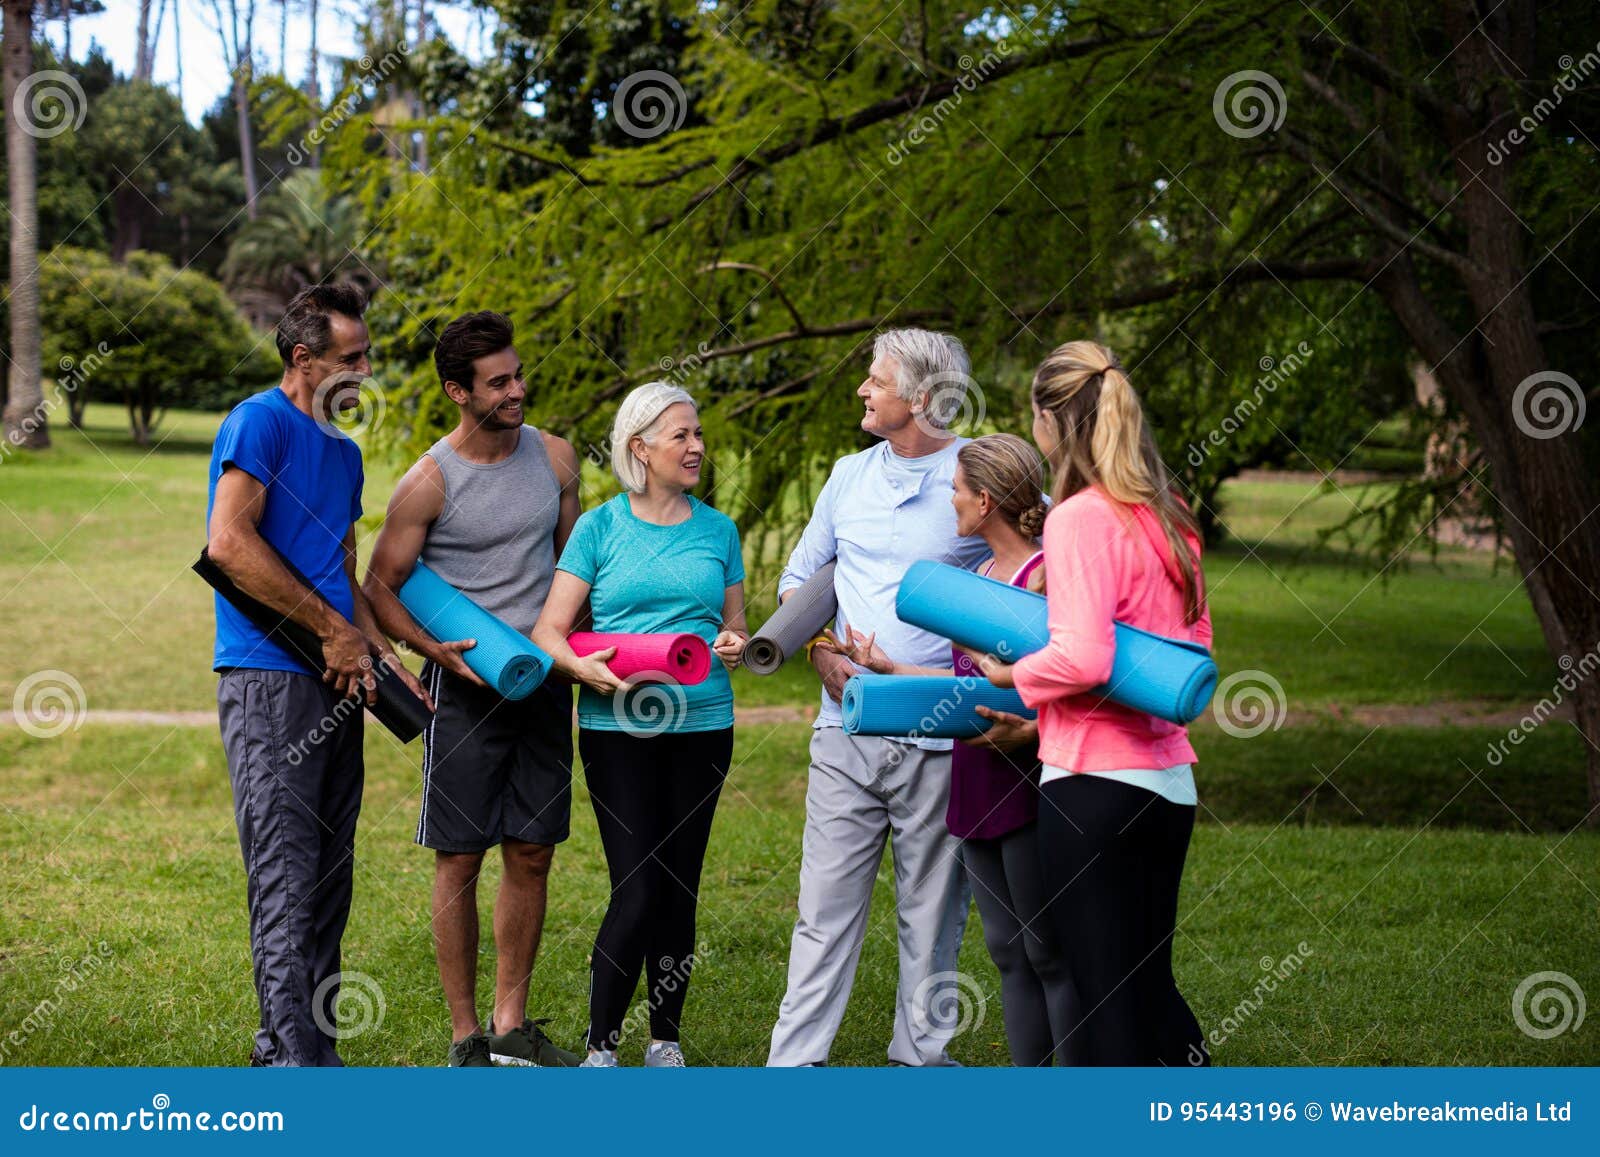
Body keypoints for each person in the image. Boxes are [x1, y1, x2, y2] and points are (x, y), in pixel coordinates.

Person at [206, 283, 431, 1067]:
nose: (366, 371)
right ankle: (288, 1060)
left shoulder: (344, 451)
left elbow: (339, 567)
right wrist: (335, 634)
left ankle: (315, 1052)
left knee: (331, 875)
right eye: (352, 357)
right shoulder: (258, 422)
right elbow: (230, 543)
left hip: (340, 678)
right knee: (286, 871)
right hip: (270, 677)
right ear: (304, 359)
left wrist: (378, 652)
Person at [968, 340, 1211, 1066]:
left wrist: (1010, 675)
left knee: (1104, 998)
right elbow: (1195, 653)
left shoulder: (1077, 515)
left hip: (1092, 789)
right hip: (1169, 786)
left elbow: (1084, 654)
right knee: (1146, 988)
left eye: (1034, 416)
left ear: (1050, 421)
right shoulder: (1170, 515)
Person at [362, 311, 584, 1068]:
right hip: (462, 688)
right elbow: (380, 587)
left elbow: (571, 573)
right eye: (499, 382)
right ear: (459, 391)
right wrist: (435, 651)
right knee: (459, 857)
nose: (518, 390)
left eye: (518, 374)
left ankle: (511, 1020)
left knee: (532, 851)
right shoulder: (428, 482)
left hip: (545, 683)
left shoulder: (555, 459)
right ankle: (466, 1036)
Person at [766, 329, 990, 1068]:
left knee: (933, 912)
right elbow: (799, 577)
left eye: (876, 379)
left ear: (922, 397)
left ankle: (920, 1061)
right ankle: (793, 1068)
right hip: (845, 727)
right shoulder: (848, 474)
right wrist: (822, 649)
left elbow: (1035, 572)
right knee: (823, 910)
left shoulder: (978, 473)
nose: (862, 390)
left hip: (940, 730)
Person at [825, 433, 1083, 1066]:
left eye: (959, 490)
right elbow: (960, 684)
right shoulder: (977, 577)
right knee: (1004, 949)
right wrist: (886, 670)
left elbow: (1075, 675)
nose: (951, 499)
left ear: (986, 500)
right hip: (972, 772)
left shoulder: (1046, 574)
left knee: (1046, 948)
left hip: (1024, 776)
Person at [531, 382, 747, 1068]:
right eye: (681, 434)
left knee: (681, 882)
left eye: (700, 434)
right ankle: (602, 1046)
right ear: (639, 448)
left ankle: (666, 1040)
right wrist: (584, 670)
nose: (697, 447)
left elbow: (734, 626)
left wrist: (736, 644)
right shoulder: (598, 527)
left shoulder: (719, 530)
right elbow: (550, 633)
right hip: (616, 726)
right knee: (640, 883)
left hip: (704, 724)